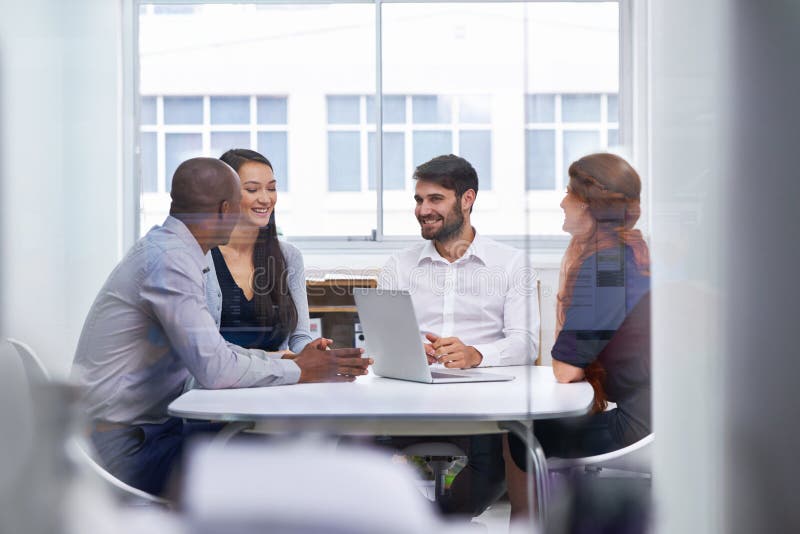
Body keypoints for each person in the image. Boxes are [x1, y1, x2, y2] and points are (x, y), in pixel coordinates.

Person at [71, 157, 371, 496]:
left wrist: (291, 361)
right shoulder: (171, 261)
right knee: (286, 466)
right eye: (247, 194)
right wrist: (299, 370)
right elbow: (214, 368)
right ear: (226, 209)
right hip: (125, 447)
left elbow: (213, 349)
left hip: (149, 430)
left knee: (287, 449)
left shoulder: (172, 249)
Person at [378, 154, 539, 517]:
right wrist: (405, 351)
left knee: (486, 479)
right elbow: (380, 345)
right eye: (419, 200)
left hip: (480, 407)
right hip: (408, 402)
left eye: (435, 199)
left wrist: (476, 355)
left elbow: (525, 344)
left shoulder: (512, 263)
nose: (423, 210)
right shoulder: (398, 265)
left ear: (467, 199)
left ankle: (425, 522)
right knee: (351, 449)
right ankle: (412, 519)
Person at [505, 152, 651, 517]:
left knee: (521, 436)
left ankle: (526, 527)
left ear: (588, 205)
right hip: (655, 415)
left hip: (637, 426)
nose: (562, 202)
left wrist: (569, 272)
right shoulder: (626, 252)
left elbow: (566, 369)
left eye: (569, 192)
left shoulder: (605, 266)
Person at [208, 148, 311, 354]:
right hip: (219, 376)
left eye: (271, 188)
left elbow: (299, 337)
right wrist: (276, 359)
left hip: (279, 374)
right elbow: (204, 348)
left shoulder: (289, 256)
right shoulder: (200, 257)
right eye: (252, 189)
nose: (266, 199)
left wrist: (314, 351)